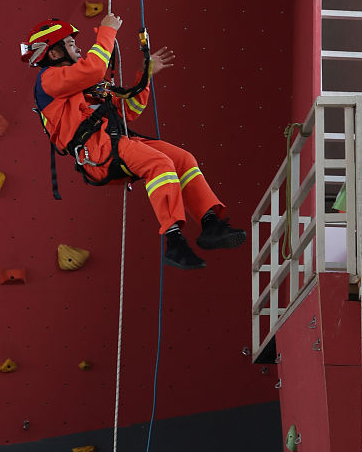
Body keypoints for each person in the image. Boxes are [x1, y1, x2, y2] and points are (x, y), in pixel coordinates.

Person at [21, 14, 247, 269]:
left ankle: (210, 224)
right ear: (54, 54)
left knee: (183, 159)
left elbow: (129, 111)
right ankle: (174, 242)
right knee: (159, 164)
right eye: (71, 44)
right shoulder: (49, 79)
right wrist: (107, 30)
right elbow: (95, 67)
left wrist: (145, 74)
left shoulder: (84, 85)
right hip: (97, 151)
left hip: (115, 141)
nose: (79, 48)